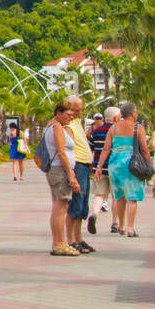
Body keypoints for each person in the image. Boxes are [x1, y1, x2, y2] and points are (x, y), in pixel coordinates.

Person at [99, 101, 151, 236]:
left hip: (115, 165)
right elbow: (144, 149)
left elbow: (106, 149)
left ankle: (121, 226)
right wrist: (149, 165)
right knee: (132, 198)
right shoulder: (138, 128)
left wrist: (99, 167)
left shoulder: (114, 128)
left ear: (121, 114)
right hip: (131, 165)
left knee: (119, 197)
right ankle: (130, 228)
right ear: (133, 113)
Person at [42, 100, 83, 256]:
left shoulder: (51, 126)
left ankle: (59, 242)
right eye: (68, 114)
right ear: (58, 113)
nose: (70, 118)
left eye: (72, 115)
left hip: (57, 169)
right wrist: (71, 174)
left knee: (59, 207)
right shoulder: (57, 127)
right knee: (60, 208)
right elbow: (61, 152)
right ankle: (59, 243)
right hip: (59, 170)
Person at [63, 96, 96, 254]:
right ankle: (71, 240)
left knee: (83, 205)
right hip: (77, 166)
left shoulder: (76, 122)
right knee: (75, 203)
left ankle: (78, 237)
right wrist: (71, 174)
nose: (79, 112)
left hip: (84, 165)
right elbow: (67, 149)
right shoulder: (68, 124)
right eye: (77, 110)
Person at [86, 107, 117, 234]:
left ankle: (94, 214)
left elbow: (91, 149)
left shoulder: (97, 131)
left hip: (99, 166)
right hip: (114, 166)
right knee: (116, 197)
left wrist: (92, 165)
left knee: (99, 194)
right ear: (115, 118)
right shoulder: (117, 131)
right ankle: (115, 223)